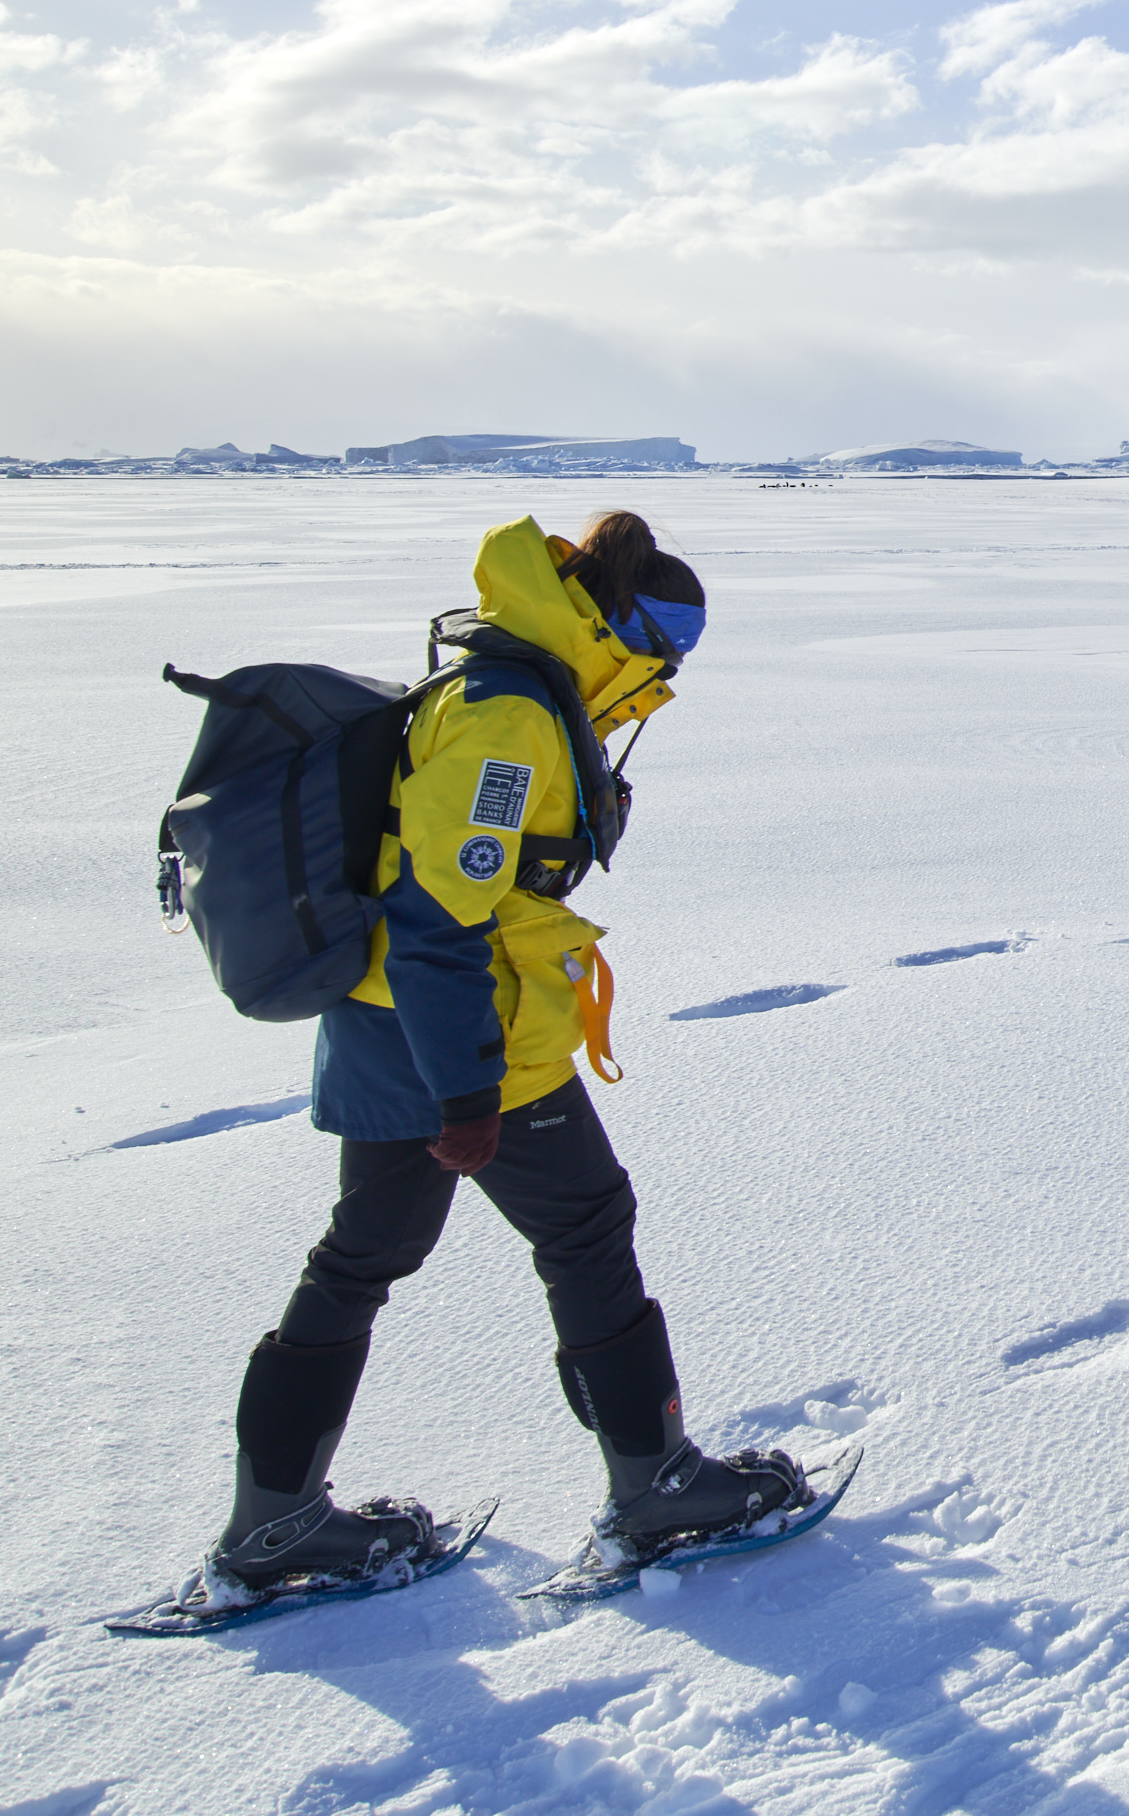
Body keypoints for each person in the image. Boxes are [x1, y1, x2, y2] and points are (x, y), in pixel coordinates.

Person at [207, 511, 805, 1596]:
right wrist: (468, 1093)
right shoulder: (509, 719)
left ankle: (275, 1521)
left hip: (404, 1028)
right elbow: (438, 916)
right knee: (587, 1230)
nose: (669, 678)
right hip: (462, 1039)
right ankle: (655, 1486)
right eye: (669, 653)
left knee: (362, 1260)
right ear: (622, 630)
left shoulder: (514, 688)